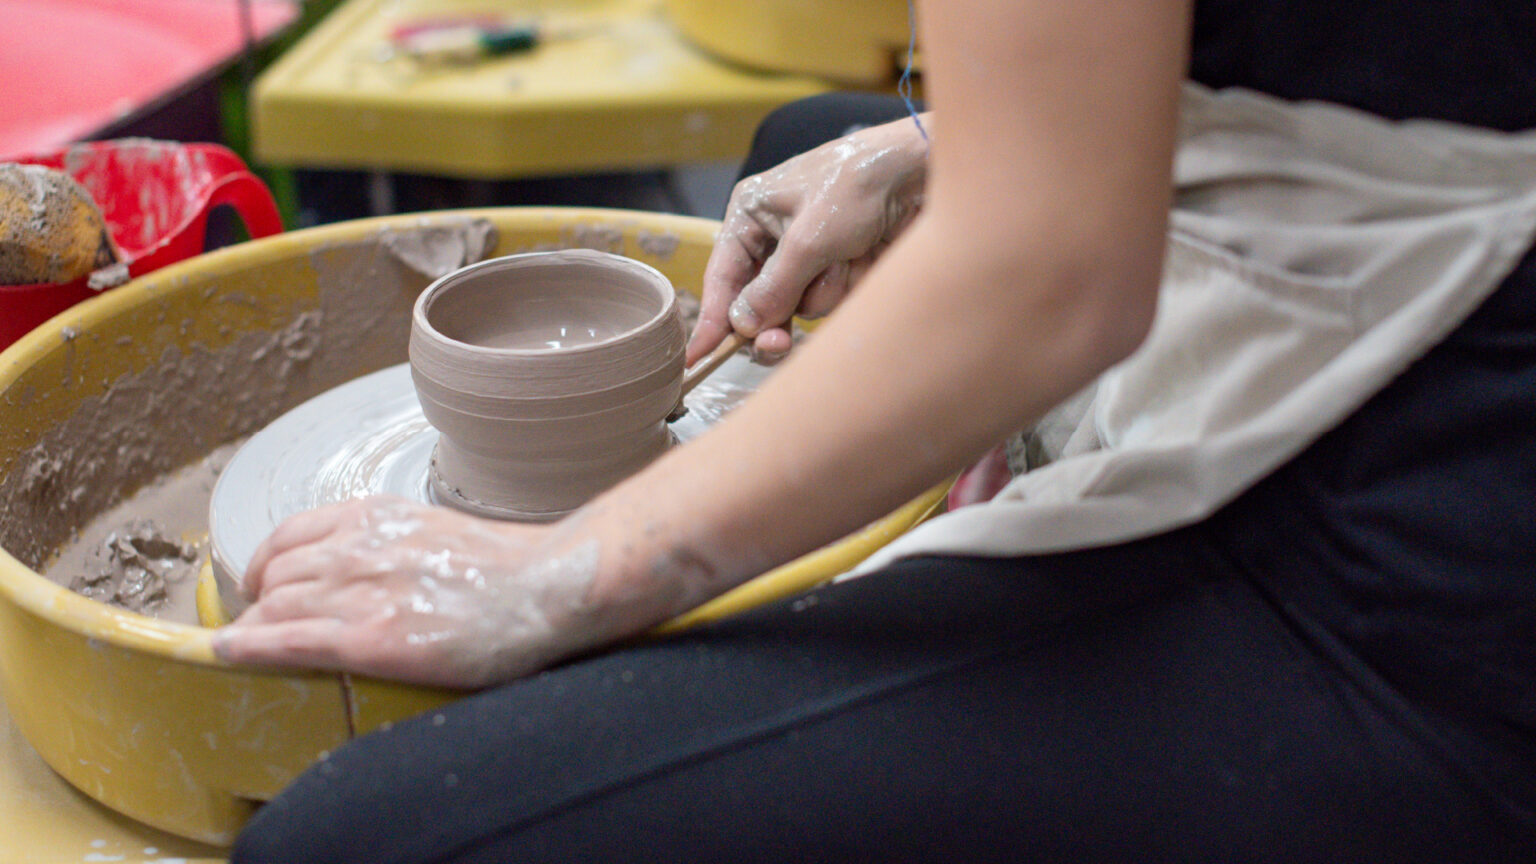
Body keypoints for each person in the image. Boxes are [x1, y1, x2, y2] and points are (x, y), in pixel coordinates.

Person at [220, 1, 1536, 861]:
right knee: (809, 147)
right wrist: (935, 147)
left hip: (1426, 525)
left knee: (358, 844)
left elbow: (1052, 275)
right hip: (1425, 136)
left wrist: (556, 571)